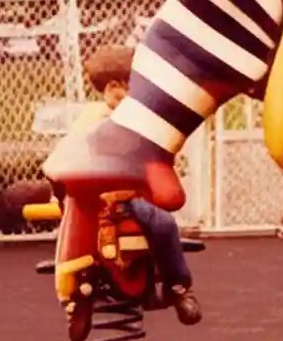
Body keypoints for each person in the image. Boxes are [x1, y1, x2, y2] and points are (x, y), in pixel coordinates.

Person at [67, 45, 202, 326]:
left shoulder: (138, 118)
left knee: (163, 223)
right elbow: (77, 154)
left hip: (131, 195)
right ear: (114, 87)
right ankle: (78, 294)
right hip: (97, 196)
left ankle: (178, 287)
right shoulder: (93, 119)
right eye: (130, 90)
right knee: (76, 230)